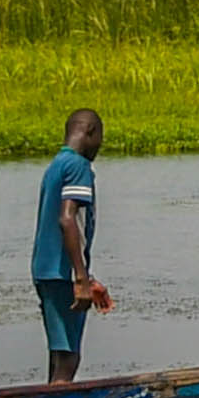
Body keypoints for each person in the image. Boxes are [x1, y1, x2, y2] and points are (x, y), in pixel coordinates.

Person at [34, 109, 119, 382]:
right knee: (69, 359)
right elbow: (67, 219)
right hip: (63, 275)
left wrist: (87, 278)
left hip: (47, 270)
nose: (99, 147)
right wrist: (80, 279)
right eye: (100, 139)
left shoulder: (57, 164)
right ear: (91, 132)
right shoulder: (78, 166)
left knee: (58, 355)